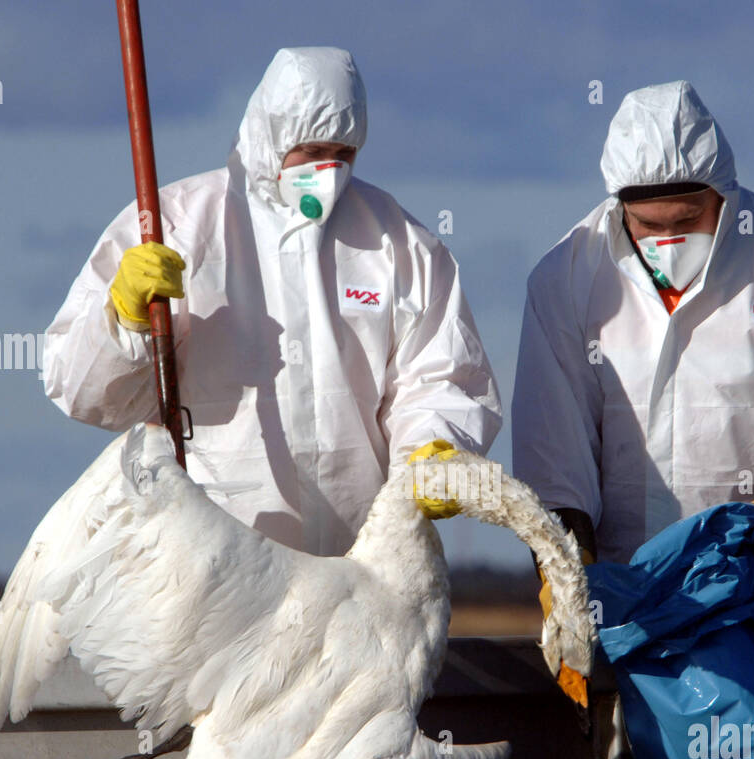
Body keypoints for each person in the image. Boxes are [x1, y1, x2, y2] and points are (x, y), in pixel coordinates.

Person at [43, 46, 501, 555]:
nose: (328, 169)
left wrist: (431, 456)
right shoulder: (173, 225)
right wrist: (123, 322)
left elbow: (441, 377)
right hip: (211, 567)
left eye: (343, 154)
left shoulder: (398, 241)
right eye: (311, 152)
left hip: (360, 572)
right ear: (272, 134)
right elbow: (77, 388)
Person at [513, 81, 754, 627]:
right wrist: (563, 570)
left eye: (689, 220)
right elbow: (554, 451)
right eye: (648, 225)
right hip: (630, 609)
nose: (669, 238)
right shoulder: (564, 278)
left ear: (724, 193)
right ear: (619, 206)